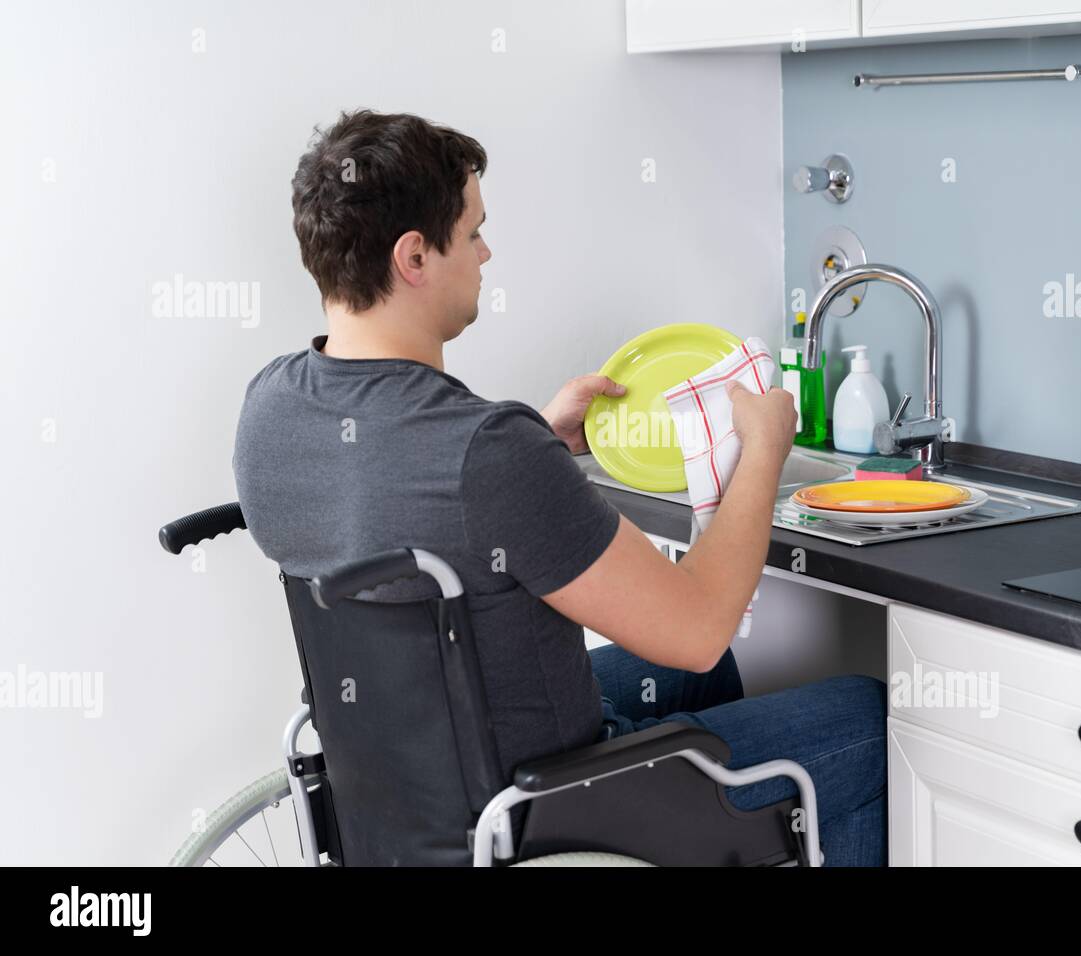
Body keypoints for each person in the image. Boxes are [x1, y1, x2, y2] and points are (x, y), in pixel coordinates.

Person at [233, 109, 885, 866]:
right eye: (472, 233)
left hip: (406, 793)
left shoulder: (271, 407)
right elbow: (701, 627)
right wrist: (765, 447)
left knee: (709, 677)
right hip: (552, 813)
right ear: (414, 256)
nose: (486, 252)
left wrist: (538, 441)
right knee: (870, 717)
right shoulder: (489, 453)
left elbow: (391, 495)